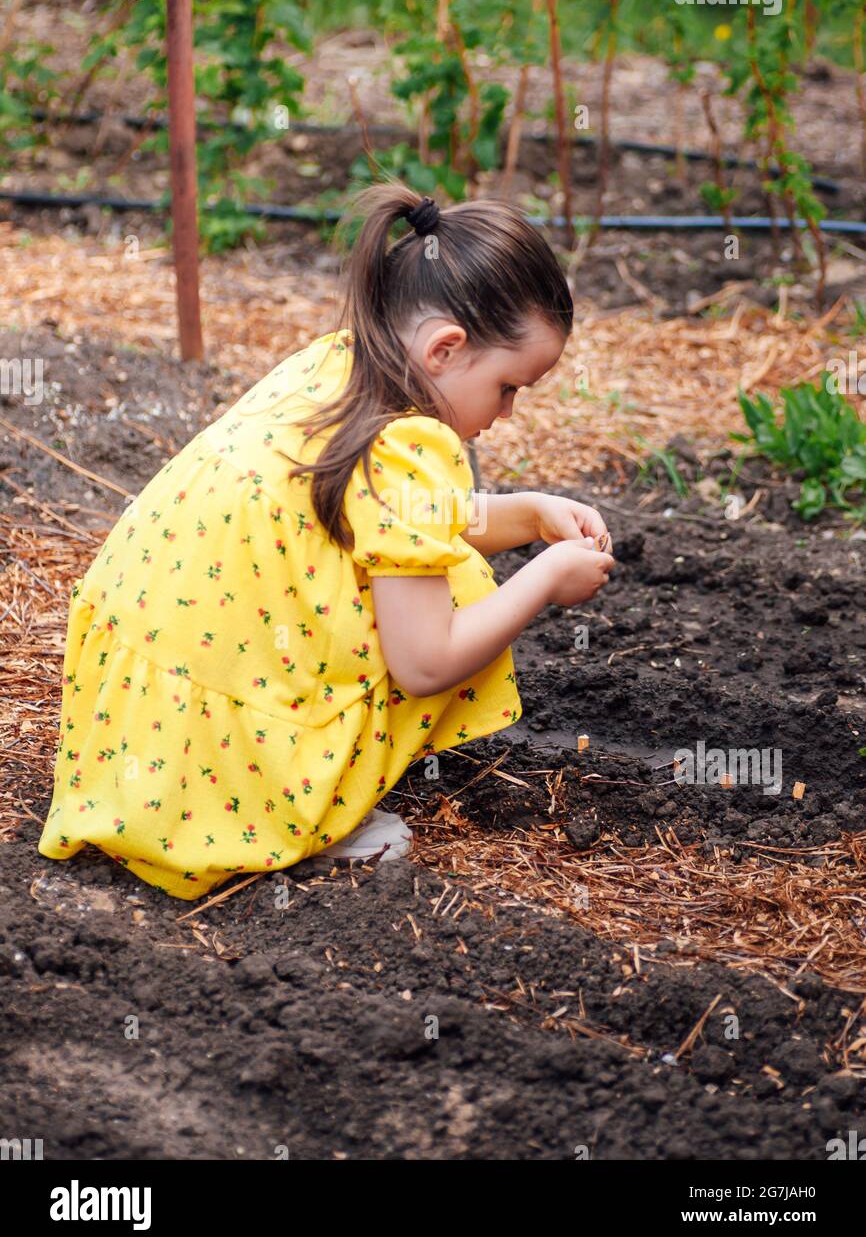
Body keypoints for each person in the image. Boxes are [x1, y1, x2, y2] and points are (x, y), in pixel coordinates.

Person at [38, 181, 614, 900]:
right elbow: (426, 663)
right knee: (460, 588)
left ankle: (243, 781)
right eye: (508, 388)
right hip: (218, 756)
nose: (507, 413)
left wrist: (528, 515)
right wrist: (547, 577)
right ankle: (294, 809)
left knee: (431, 565)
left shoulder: (338, 366)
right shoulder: (409, 443)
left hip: (136, 718)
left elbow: (400, 517)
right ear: (444, 349)